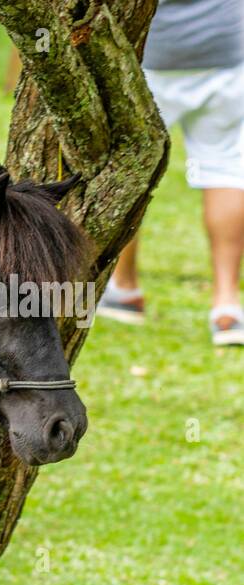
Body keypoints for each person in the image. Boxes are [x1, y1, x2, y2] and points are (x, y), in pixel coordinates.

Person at [97, 0, 244, 346]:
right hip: (226, 50)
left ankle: (125, 288)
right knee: (227, 169)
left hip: (150, 54)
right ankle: (227, 304)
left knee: (130, 166)